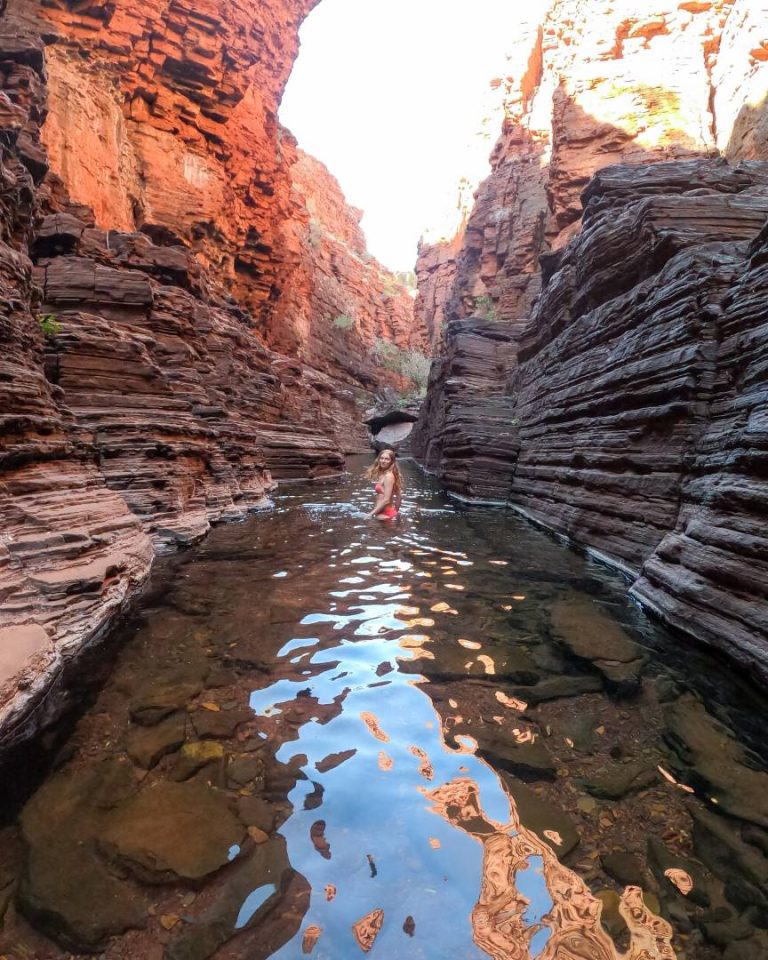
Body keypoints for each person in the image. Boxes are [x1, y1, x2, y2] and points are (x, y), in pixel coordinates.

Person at [365, 448, 403, 520]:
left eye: (387, 459)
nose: (383, 461)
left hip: (385, 515)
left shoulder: (388, 476)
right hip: (384, 513)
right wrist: (395, 512)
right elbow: (399, 495)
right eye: (381, 458)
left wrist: (370, 514)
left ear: (392, 461)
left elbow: (387, 500)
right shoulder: (383, 474)